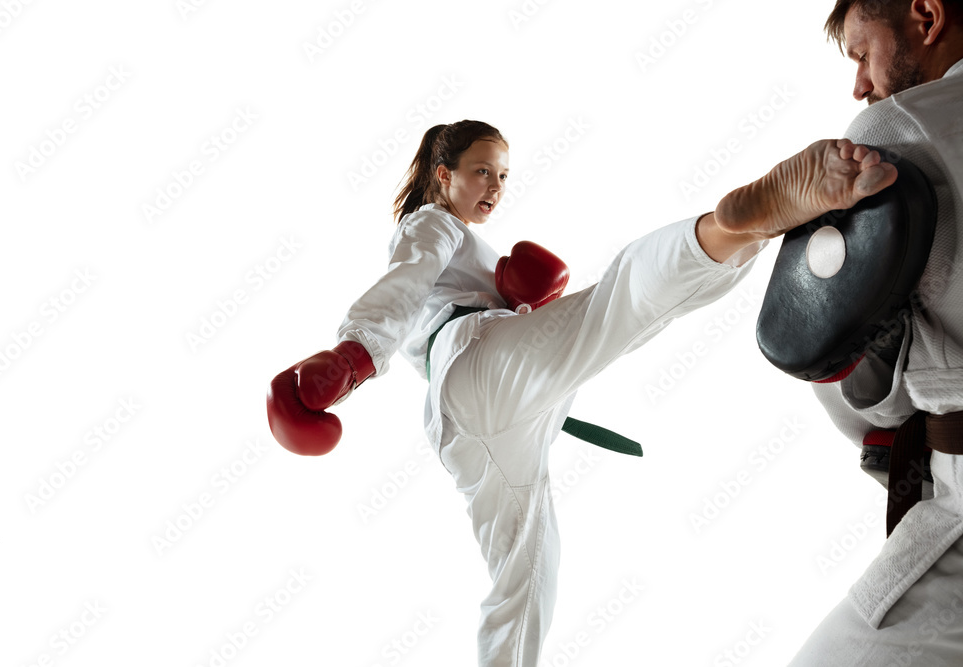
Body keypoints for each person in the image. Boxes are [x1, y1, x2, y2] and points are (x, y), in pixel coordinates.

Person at [266, 120, 897, 665]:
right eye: (481, 171)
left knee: (526, 577)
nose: (494, 187)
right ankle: (735, 226)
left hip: (477, 425)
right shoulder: (434, 225)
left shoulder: (468, 249)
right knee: (616, 303)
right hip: (479, 366)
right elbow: (406, 283)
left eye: (504, 176)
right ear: (441, 174)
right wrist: (352, 357)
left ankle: (736, 231)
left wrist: (514, 297)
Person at [788, 0, 963, 664]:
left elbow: (852, 388)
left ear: (926, 15)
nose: (859, 84)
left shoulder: (896, 130)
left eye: (862, 52)